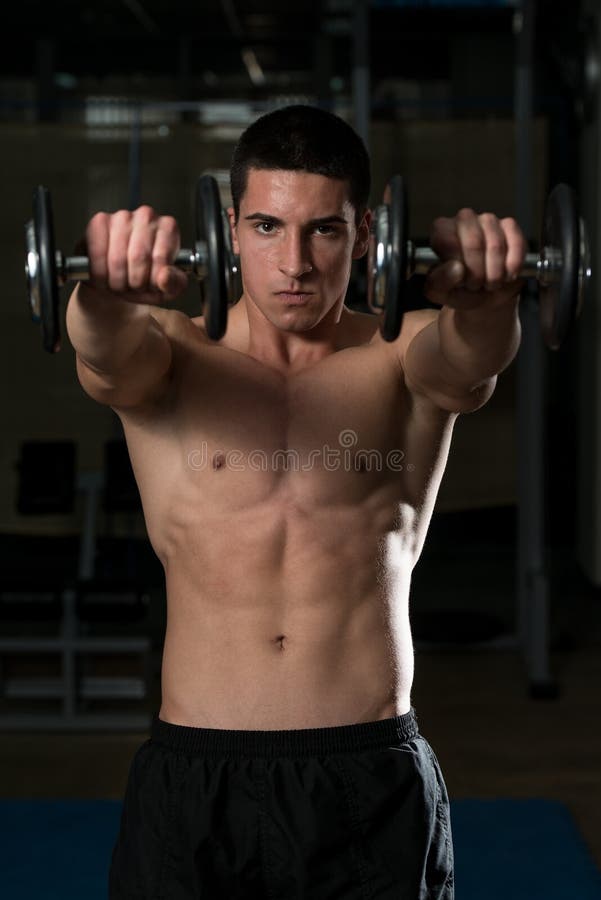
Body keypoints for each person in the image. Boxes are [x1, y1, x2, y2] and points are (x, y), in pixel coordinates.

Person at [66, 104, 526, 899]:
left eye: (324, 230)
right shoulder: (174, 355)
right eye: (268, 227)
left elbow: (467, 360)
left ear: (368, 234)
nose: (295, 262)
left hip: (367, 771)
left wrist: (487, 298)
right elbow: (107, 356)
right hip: (195, 775)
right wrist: (104, 294)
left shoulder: (400, 353)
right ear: (229, 228)